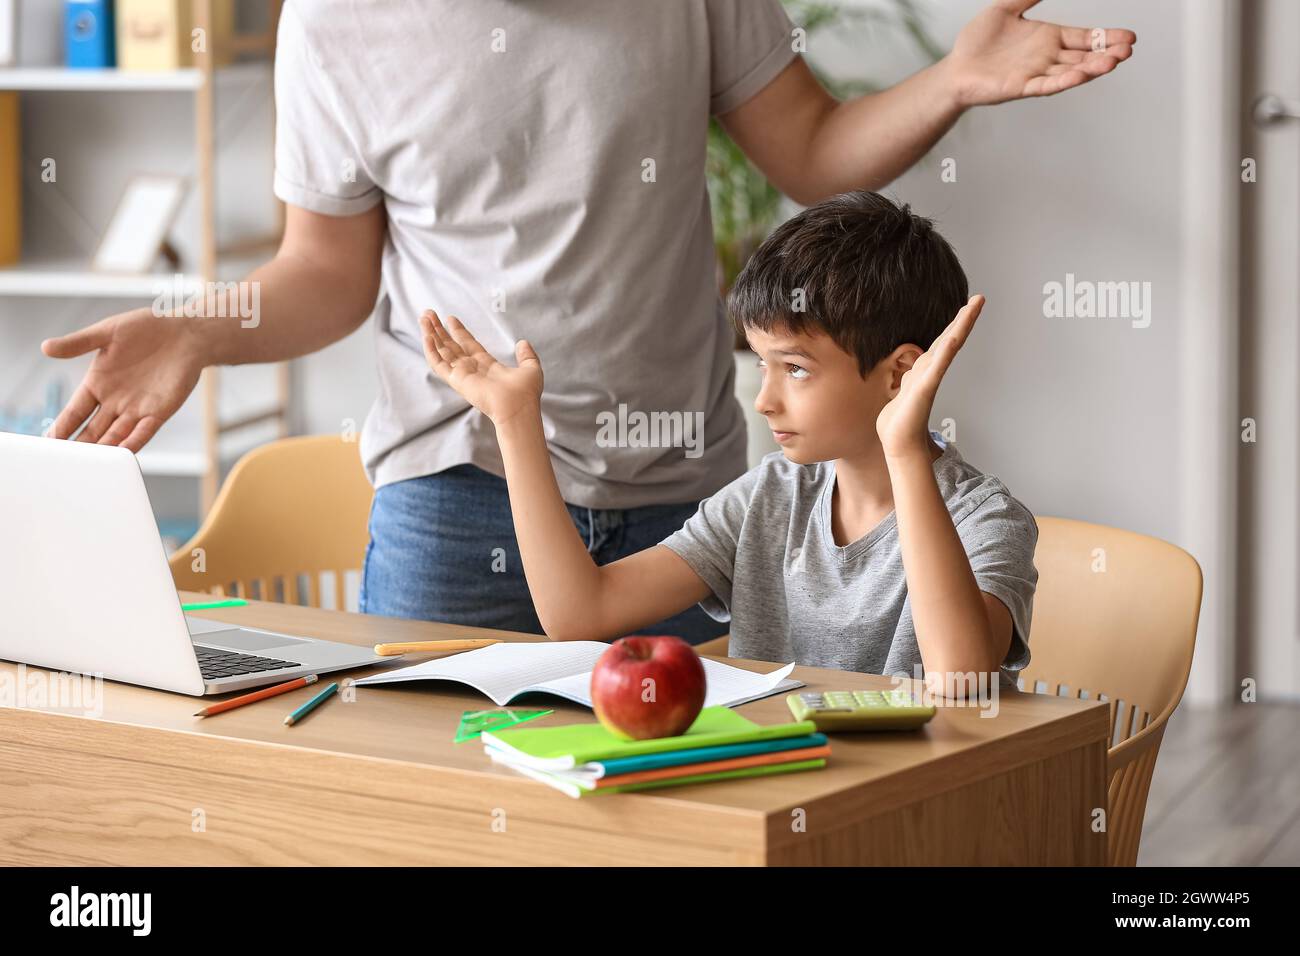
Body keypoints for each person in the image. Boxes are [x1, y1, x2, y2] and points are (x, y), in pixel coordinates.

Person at [40, 1, 1128, 642]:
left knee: (670, 824)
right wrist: (196, 325)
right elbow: (326, 271)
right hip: (453, 494)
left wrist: (949, 81)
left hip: (679, 490)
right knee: (432, 820)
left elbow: (810, 151)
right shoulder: (334, 23)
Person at [416, 190, 1037, 695]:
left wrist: (903, 451)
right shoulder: (771, 495)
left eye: (794, 368)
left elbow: (962, 680)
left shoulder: (984, 518)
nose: (764, 399)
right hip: (770, 798)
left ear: (900, 373)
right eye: (761, 364)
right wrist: (516, 419)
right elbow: (580, 613)